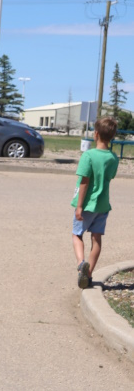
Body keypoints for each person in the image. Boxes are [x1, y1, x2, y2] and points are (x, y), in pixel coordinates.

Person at [72, 116, 119, 289]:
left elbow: (84, 181)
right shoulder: (114, 158)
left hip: (87, 204)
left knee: (77, 234)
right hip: (103, 205)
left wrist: (79, 206)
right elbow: (110, 177)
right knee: (96, 238)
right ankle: (89, 274)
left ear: (96, 134)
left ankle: (80, 265)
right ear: (112, 136)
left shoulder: (89, 155)